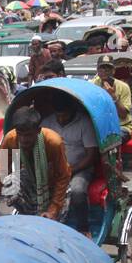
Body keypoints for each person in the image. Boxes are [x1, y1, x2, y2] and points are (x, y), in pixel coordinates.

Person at [0, 105, 70, 220]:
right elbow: (1, 171)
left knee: (57, 219)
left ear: (38, 131)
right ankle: (27, 215)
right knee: (9, 182)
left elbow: (63, 176)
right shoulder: (10, 139)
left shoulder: (53, 142)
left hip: (53, 183)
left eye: (29, 135)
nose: (24, 139)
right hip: (30, 180)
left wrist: (53, 210)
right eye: (20, 134)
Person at [40, 93, 98, 237]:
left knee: (77, 191)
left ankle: (83, 229)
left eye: (64, 115)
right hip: (54, 168)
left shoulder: (84, 123)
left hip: (80, 168)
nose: (60, 119)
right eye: (58, 115)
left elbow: (91, 155)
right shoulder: (47, 122)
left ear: (72, 110)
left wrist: (70, 170)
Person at [93, 53, 132, 137]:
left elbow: (123, 115)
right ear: (97, 70)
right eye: (102, 68)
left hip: (121, 126)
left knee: (112, 139)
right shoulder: (92, 85)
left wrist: (113, 96)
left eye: (108, 68)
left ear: (113, 70)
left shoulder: (123, 87)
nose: (104, 71)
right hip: (99, 126)